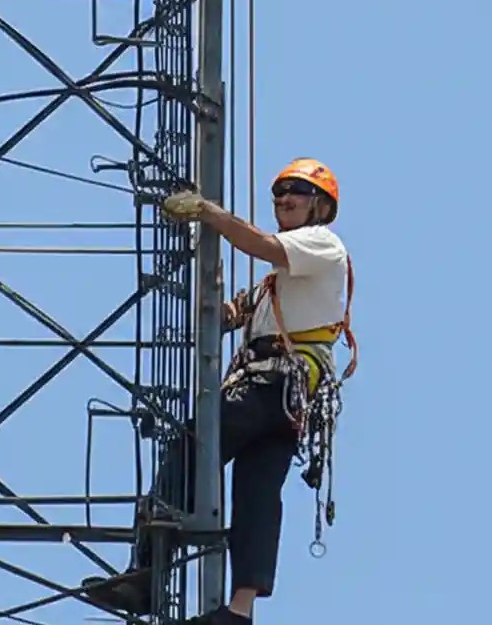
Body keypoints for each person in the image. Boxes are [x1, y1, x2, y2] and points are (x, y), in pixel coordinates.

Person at [80, 158, 356, 625]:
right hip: (283, 401)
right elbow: (234, 312)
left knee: (190, 449)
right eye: (278, 192)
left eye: (296, 191)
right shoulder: (279, 284)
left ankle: (147, 573)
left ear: (321, 206)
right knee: (257, 496)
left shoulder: (321, 244)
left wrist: (209, 213)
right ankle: (237, 615)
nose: (283, 199)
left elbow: (262, 244)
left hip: (273, 387)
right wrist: (216, 299)